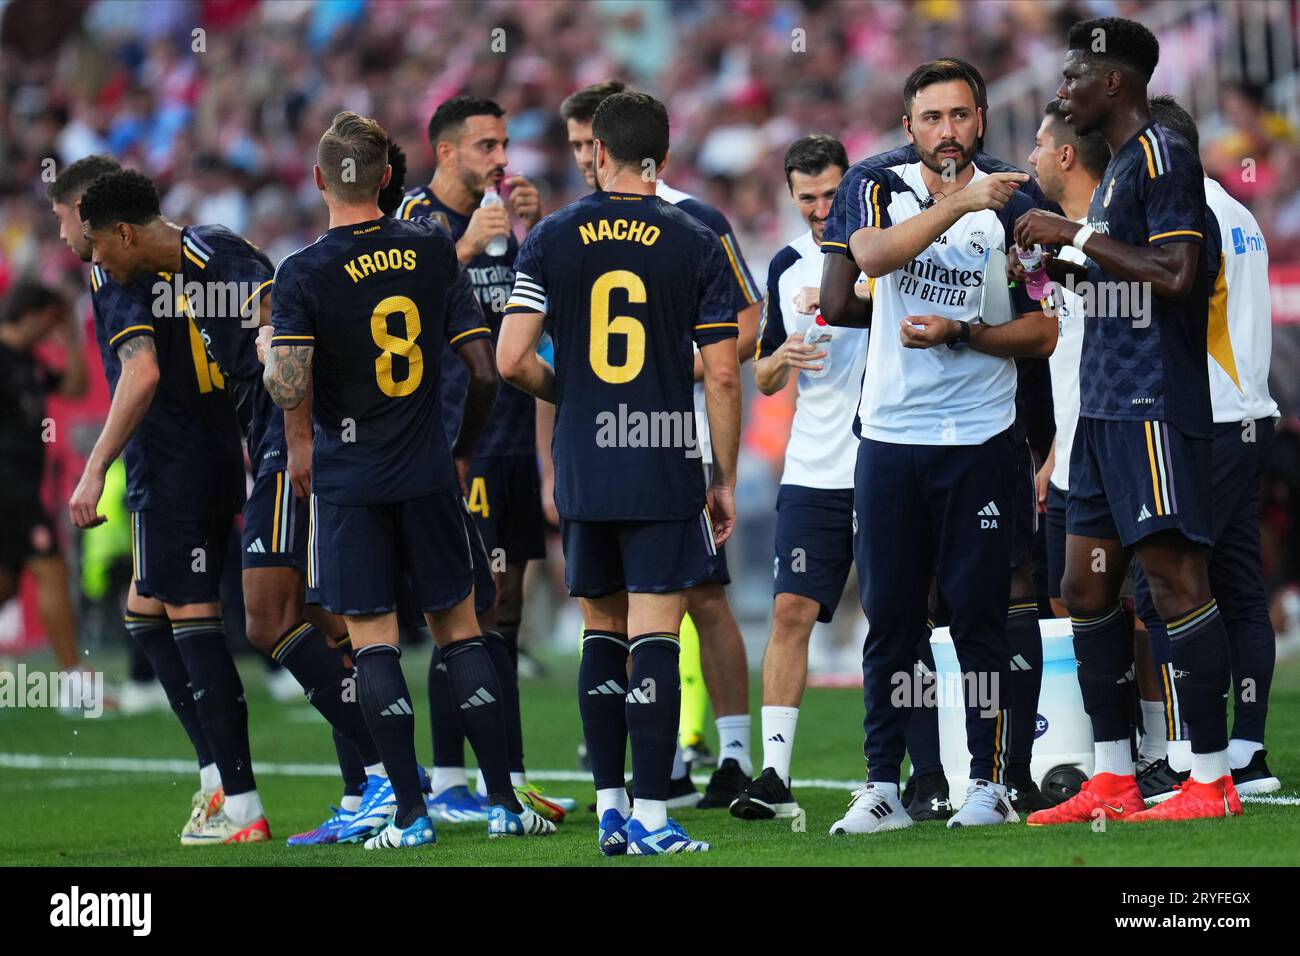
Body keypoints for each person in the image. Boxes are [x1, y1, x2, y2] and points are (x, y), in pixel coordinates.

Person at [261, 110, 555, 848]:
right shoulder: (431, 252)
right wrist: (460, 445)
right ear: (390, 177)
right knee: (462, 633)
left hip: (350, 479)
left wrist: (294, 431)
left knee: (374, 646)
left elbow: (288, 383)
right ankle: (504, 804)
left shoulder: (301, 272)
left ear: (321, 179)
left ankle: (409, 814)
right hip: (429, 471)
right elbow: (484, 371)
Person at [76, 167, 388, 844]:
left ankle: (387, 776)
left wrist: (296, 430)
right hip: (265, 445)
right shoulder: (192, 265)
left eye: (99, 246)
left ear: (124, 234)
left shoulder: (215, 257)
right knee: (317, 618)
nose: (94, 260)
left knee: (267, 620)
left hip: (286, 442)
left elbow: (285, 327)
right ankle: (373, 782)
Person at [498, 90, 741, 855]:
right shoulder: (694, 239)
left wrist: (567, 394)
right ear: (661, 160)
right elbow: (726, 377)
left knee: (599, 629)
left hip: (584, 461)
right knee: (657, 636)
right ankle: (654, 817)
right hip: (663, 458)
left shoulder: (551, 237)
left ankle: (607, 806)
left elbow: (510, 360)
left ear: (598, 154)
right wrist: (722, 475)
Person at [821, 57, 1058, 817]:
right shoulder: (875, 182)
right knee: (891, 617)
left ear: (981, 120)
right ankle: (883, 785)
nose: (946, 132)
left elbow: (1043, 331)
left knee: (979, 613)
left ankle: (986, 784)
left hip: (984, 439)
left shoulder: (1020, 197)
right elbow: (871, 257)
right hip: (891, 435)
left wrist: (963, 332)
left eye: (959, 116)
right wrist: (958, 207)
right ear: (908, 126)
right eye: (931, 118)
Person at [1017, 17, 1237, 824]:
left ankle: (1210, 779)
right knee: (1082, 587)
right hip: (1105, 409)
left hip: (1152, 405)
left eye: (1075, 74)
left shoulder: (1163, 156)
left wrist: (1072, 234)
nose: (1061, 88)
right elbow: (1127, 286)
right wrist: (1063, 264)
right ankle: (1112, 774)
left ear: (1115, 81)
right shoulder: (1115, 175)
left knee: (1176, 582)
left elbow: (1175, 274)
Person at [560, 79, 760, 809]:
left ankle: (730, 755)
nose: (584, 157)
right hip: (646, 447)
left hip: (676, 437)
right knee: (624, 613)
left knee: (701, 597)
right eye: (575, 145)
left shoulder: (695, 221)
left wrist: (677, 370)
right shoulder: (575, 227)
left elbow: (747, 323)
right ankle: (657, 773)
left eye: (591, 144)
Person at [51, 155, 255, 844]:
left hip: (169, 467)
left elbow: (139, 373)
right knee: (147, 612)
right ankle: (216, 778)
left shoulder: (115, 275)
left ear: (103, 221)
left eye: (65, 221)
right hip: (219, 450)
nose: (64, 238)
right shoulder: (198, 252)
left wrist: (93, 468)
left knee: (195, 624)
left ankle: (238, 799)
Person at [394, 96, 572, 823]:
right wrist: (465, 246)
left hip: (510, 445)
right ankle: (448, 780)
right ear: (445, 152)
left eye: (505, 144)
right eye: (487, 146)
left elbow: (543, 328)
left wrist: (532, 232)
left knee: (505, 610)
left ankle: (511, 775)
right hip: (446, 445)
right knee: (459, 606)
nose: (503, 158)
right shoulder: (412, 219)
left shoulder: (508, 222)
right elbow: (396, 304)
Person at [1129, 95, 1282, 800]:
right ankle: (1246, 749)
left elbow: (1170, 304)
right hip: (1250, 414)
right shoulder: (1238, 213)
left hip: (1209, 419)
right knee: (1240, 588)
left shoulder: (1191, 219)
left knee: (1173, 586)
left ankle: (1198, 752)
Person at [729, 134, 865, 821]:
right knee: (790, 612)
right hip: (814, 467)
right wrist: (779, 354)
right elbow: (764, 376)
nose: (818, 208)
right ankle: (775, 778)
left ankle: (923, 772)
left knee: (912, 616)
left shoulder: (886, 250)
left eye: (829, 194)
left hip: (889, 461)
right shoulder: (785, 265)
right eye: (806, 196)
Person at [0, 281, 88, 692]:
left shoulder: (28, 362)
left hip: (22, 488)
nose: (54, 330)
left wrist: (71, 336)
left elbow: (76, 386)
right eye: (52, 321)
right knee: (51, 567)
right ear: (32, 313)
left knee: (7, 583)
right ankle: (74, 684)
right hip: (8, 490)